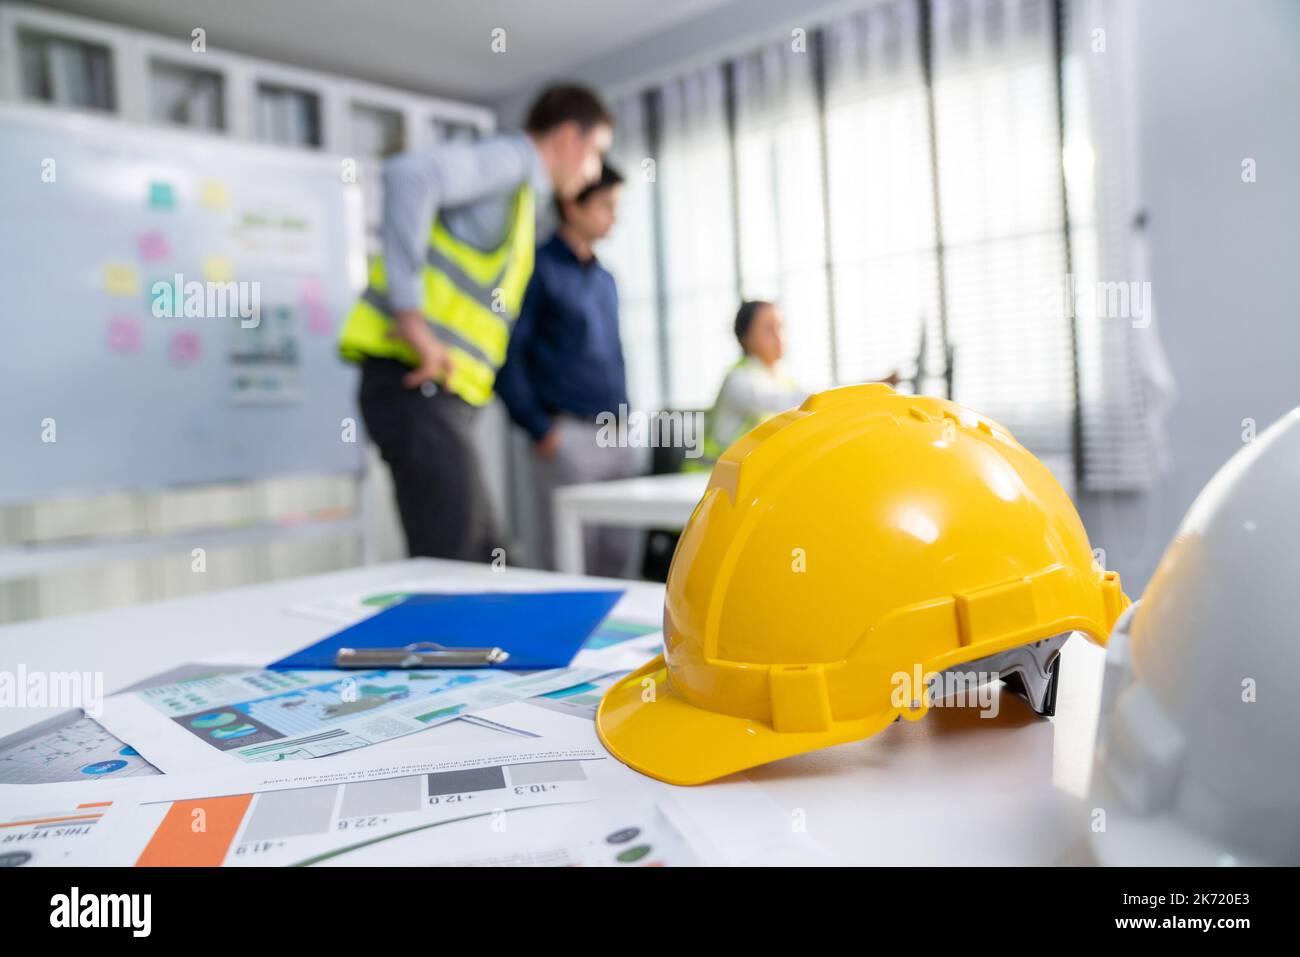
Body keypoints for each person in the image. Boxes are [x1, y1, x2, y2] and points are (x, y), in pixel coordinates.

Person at [338, 85, 613, 561]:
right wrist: (411, 319)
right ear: (569, 137)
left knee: (487, 557)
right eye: (596, 154)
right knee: (459, 559)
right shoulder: (512, 162)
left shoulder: (523, 197)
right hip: (414, 383)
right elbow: (410, 175)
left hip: (438, 397)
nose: (593, 171)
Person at [495, 163, 637, 575]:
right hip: (566, 435)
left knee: (616, 554)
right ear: (573, 205)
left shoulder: (606, 278)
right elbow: (508, 354)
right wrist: (540, 429)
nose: (614, 216)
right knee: (571, 558)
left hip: (617, 431)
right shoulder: (534, 269)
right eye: (606, 205)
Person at [692, 300, 808, 468]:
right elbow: (783, 401)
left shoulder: (783, 379)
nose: (778, 336)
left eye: (780, 327)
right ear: (747, 338)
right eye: (768, 329)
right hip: (711, 476)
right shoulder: (739, 380)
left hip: (748, 473)